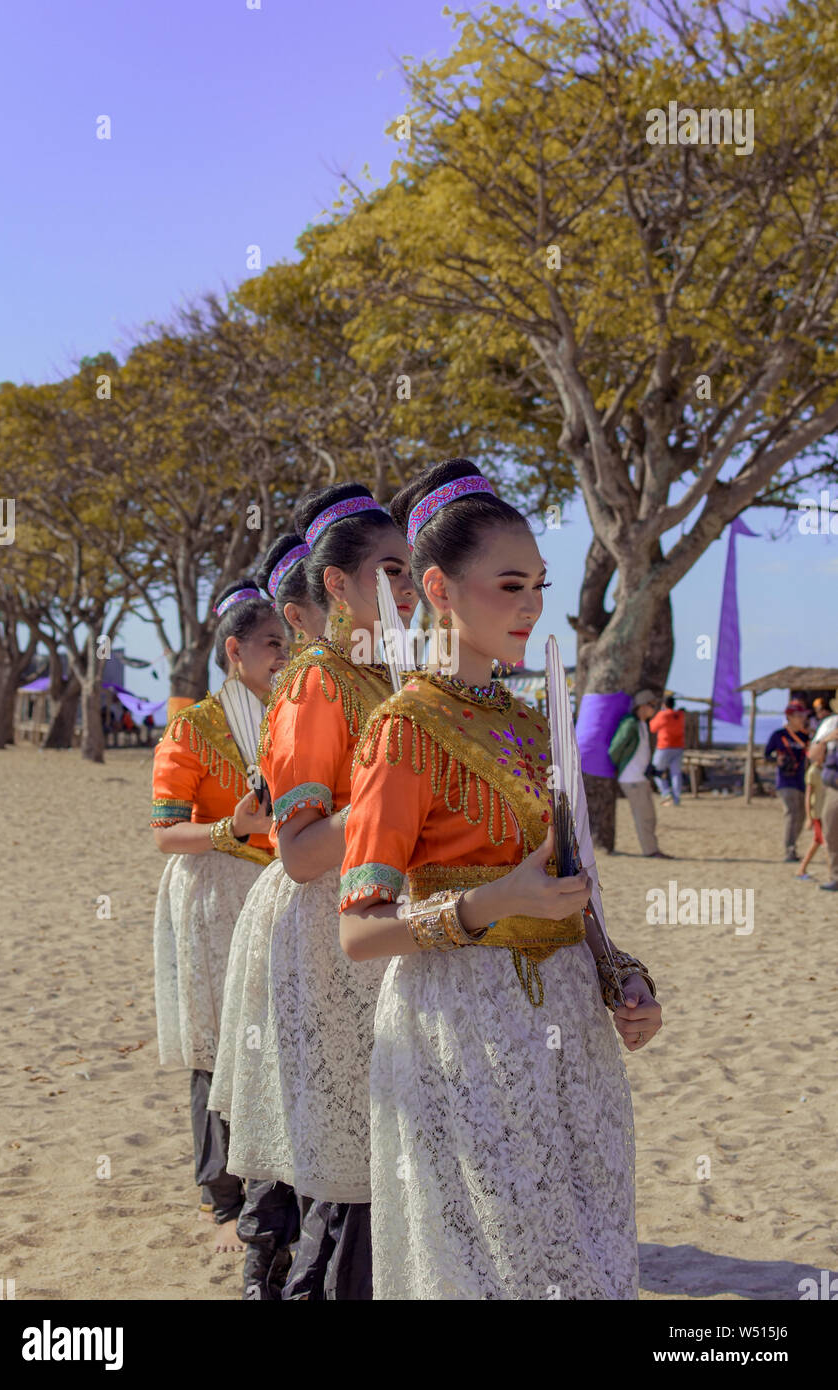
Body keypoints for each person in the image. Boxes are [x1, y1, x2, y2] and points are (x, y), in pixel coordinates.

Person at [339, 457, 661, 1300]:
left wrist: (619, 973)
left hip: (569, 1035)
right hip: (465, 1031)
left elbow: (572, 881)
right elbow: (360, 930)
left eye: (540, 586)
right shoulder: (402, 731)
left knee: (584, 1250)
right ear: (439, 590)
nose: (531, 606)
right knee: (496, 1264)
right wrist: (491, 903)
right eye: (510, 585)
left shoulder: (532, 722)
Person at [220, 486, 416, 1300]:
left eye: (416, 570)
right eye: (391, 570)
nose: (410, 589)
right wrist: (399, 796)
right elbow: (299, 853)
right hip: (327, 933)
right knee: (348, 1170)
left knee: (384, 1154)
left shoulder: (399, 675)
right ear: (336, 585)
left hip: (387, 932)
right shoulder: (318, 683)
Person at [150, 580, 287, 1253]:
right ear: (235, 652)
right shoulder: (192, 728)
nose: (282, 658)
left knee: (264, 1033)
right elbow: (165, 833)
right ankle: (220, 1187)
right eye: (270, 646)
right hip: (210, 893)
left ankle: (264, 1177)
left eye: (287, 646)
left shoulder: (290, 719)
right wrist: (228, 832)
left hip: (271, 888)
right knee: (218, 1038)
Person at [209, 532, 326, 1301]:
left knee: (319, 1105)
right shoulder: (308, 692)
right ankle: (267, 1260)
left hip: (346, 907)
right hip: (302, 902)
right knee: (289, 1096)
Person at [608, 691, 670, 858]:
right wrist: (618, 767)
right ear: (642, 706)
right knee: (644, 817)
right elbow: (616, 748)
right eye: (652, 705)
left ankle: (652, 849)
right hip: (632, 778)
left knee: (649, 815)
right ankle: (650, 851)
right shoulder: (630, 724)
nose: (654, 709)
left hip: (640, 778)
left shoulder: (642, 725)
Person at [764, 700, 810, 862]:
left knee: (802, 815)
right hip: (785, 781)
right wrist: (778, 759)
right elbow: (767, 755)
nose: (802, 718)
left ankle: (793, 845)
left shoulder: (805, 736)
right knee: (791, 812)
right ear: (789, 717)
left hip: (801, 780)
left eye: (803, 715)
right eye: (799, 715)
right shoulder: (779, 735)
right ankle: (789, 850)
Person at [796, 741, 826, 881]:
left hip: (825, 812)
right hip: (817, 813)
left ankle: (802, 869)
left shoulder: (825, 770)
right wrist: (808, 817)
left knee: (817, 841)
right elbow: (808, 796)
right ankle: (833, 873)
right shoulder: (813, 772)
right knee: (825, 842)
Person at [649, 694, 686, 806]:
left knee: (656, 772)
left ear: (664, 704)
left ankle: (666, 793)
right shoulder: (680, 715)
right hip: (678, 747)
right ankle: (676, 798)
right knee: (676, 773)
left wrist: (661, 712)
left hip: (664, 747)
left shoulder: (663, 715)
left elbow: (652, 728)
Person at [819, 738, 838, 892]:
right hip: (833, 790)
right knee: (831, 834)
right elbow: (813, 756)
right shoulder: (831, 728)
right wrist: (825, 741)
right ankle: (836, 877)